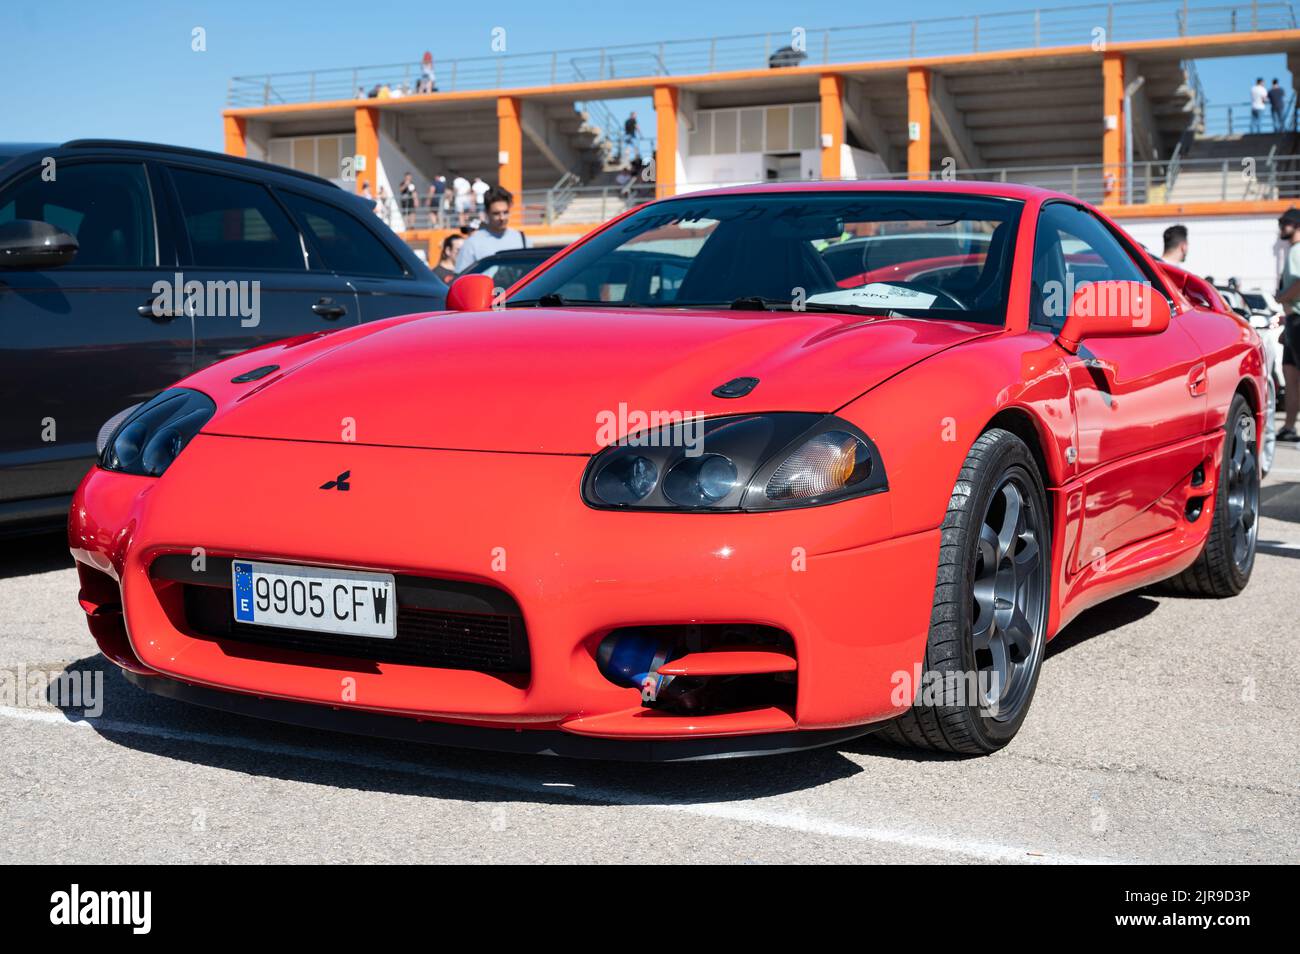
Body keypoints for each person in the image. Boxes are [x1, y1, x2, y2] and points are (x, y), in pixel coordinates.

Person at [455, 185, 530, 273]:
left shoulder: (522, 239)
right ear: (487, 213)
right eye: (496, 213)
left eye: (505, 212)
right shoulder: (472, 244)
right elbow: (462, 278)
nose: (502, 218)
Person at [1274, 207, 1300, 441]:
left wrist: (1282, 297)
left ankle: (1291, 426)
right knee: (1290, 377)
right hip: (1293, 320)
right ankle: (1290, 427)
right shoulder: (1293, 250)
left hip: (1298, 321)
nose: (1283, 227)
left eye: (1288, 223)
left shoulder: (1297, 251)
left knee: (1293, 377)